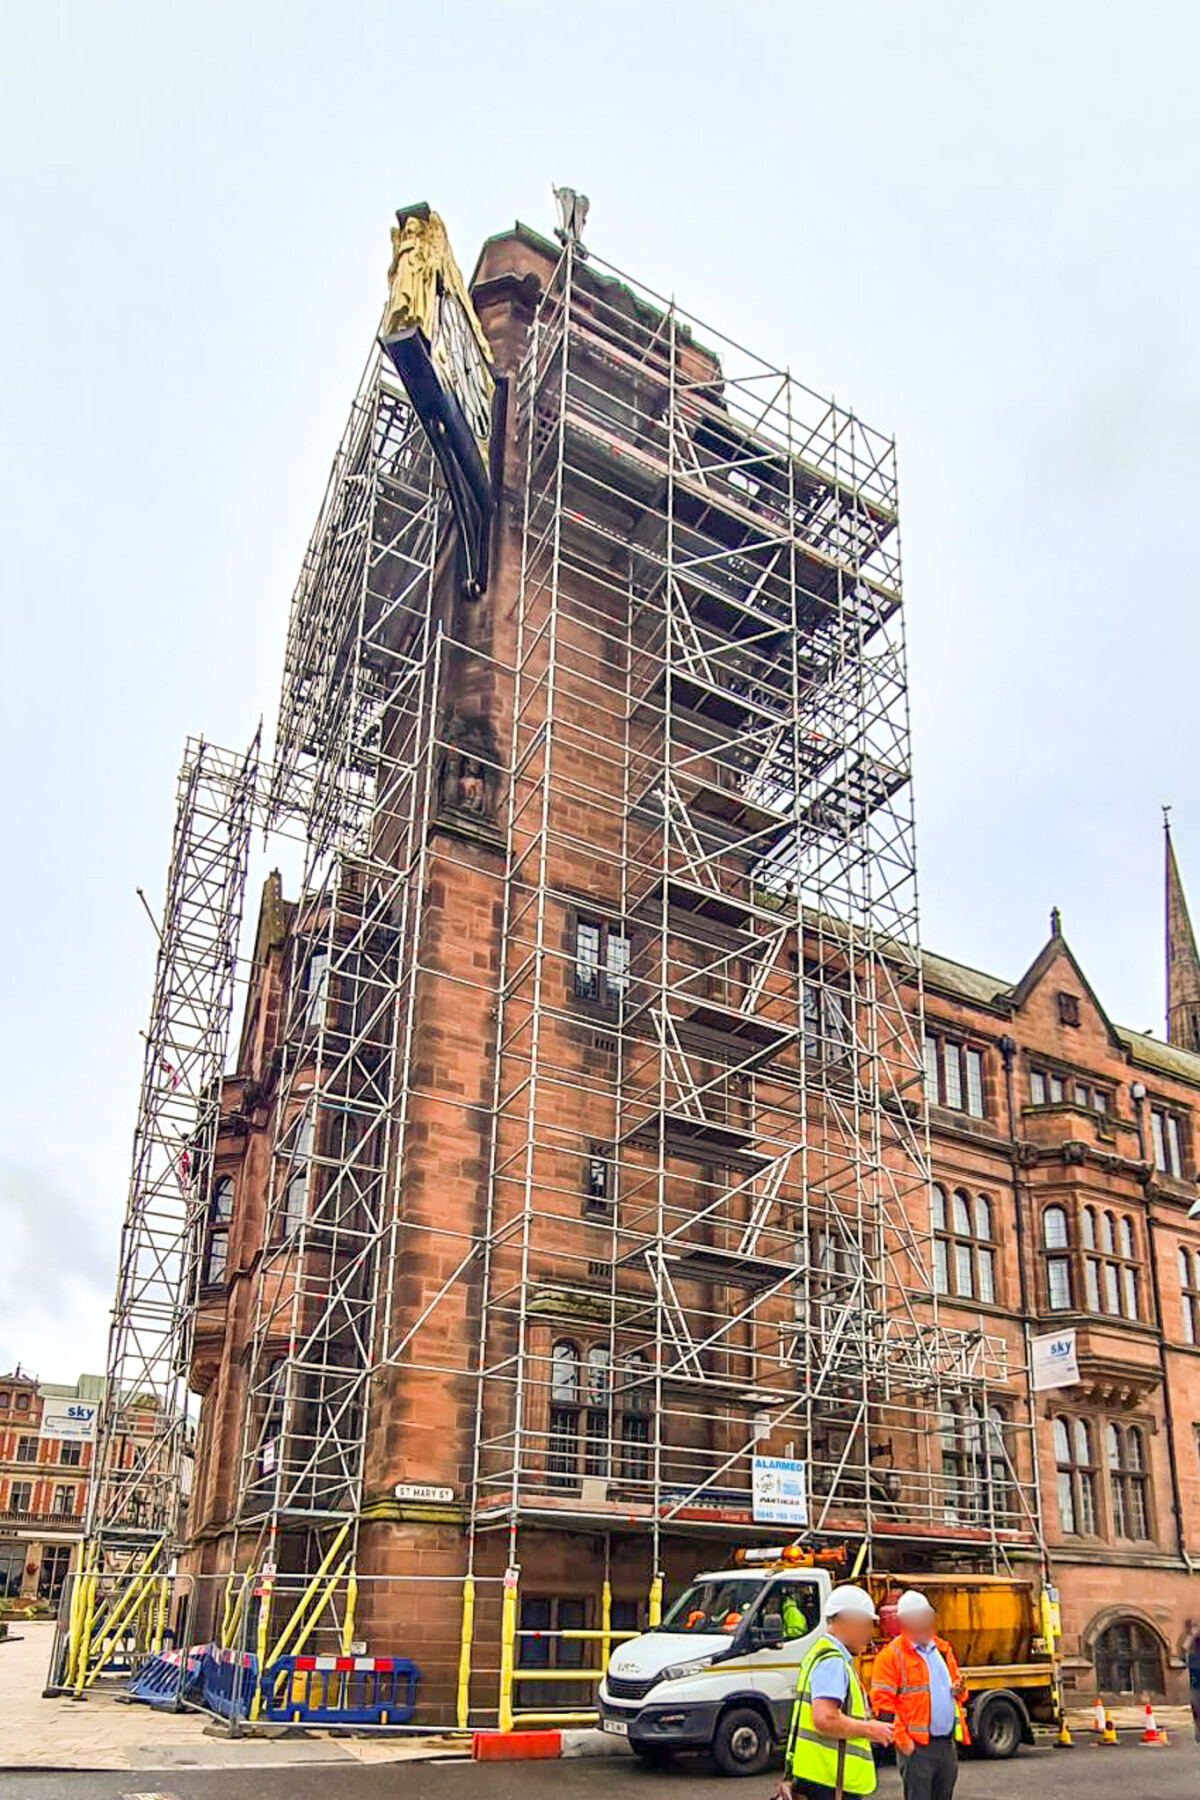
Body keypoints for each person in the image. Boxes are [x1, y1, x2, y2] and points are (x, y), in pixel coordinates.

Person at [785, 1584, 893, 1798]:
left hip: (821, 1778)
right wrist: (871, 1730)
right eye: (866, 1625)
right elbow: (825, 1719)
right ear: (847, 1622)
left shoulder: (823, 1654)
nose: (869, 1634)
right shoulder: (832, 1661)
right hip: (831, 1783)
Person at [870, 1590, 968, 1800]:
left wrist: (960, 1691)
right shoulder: (890, 1657)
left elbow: (958, 1691)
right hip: (917, 1749)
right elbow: (883, 1707)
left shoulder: (942, 1650)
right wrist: (904, 1742)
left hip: (945, 1746)